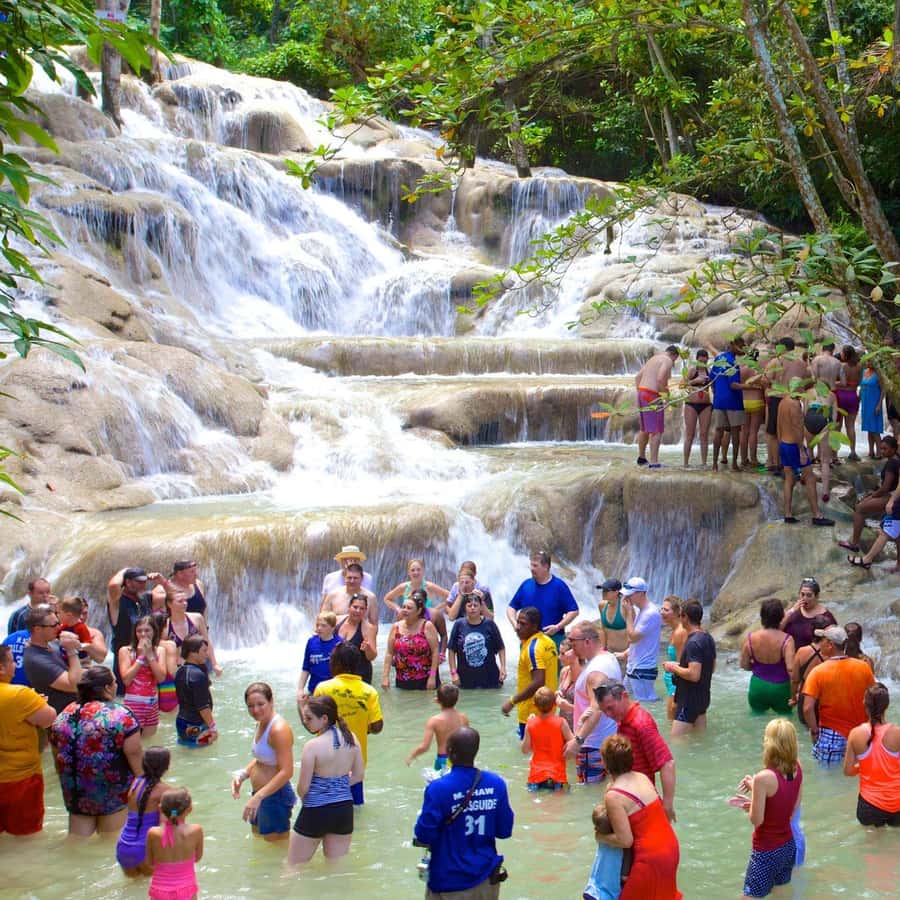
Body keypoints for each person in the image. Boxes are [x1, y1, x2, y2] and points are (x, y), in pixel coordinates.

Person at [414, 727, 514, 898]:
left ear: (449, 752)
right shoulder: (496, 784)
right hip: (486, 878)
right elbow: (504, 831)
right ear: (475, 751)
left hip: (448, 880)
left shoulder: (438, 788)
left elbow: (424, 835)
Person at [48, 665, 143, 836]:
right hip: (111, 792)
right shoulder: (120, 715)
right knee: (111, 842)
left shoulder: (64, 714)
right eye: (114, 683)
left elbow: (57, 753)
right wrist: (145, 782)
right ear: (107, 688)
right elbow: (134, 752)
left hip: (75, 791)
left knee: (77, 842)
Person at [595, 733, 681, 899]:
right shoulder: (642, 777)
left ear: (605, 763)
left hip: (651, 857)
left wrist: (600, 836)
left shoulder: (614, 795)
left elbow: (625, 840)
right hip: (670, 847)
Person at [288, 694, 364, 865]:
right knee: (336, 870)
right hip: (343, 810)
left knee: (293, 868)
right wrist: (337, 786)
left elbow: (303, 789)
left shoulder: (312, 746)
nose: (305, 722)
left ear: (324, 719)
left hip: (315, 810)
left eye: (308, 718)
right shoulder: (351, 739)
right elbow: (359, 775)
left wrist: (319, 792)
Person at [736, 718, 802, 899]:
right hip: (788, 847)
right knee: (780, 894)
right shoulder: (797, 768)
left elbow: (757, 821)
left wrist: (754, 802)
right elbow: (792, 807)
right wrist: (758, 796)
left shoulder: (763, 778)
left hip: (766, 851)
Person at [595, 683, 676, 821]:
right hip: (632, 801)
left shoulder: (641, 723)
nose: (608, 715)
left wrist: (667, 806)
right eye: (604, 711)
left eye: (610, 708)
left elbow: (667, 763)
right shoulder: (624, 720)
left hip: (642, 804)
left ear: (624, 696)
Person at [314, 643, 383, 806]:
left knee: (326, 809)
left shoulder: (323, 688)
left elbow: (314, 726)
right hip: (354, 764)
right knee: (354, 810)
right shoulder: (369, 691)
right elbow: (377, 726)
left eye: (331, 660)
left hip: (326, 763)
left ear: (337, 664)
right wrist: (363, 725)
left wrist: (301, 706)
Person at [0, 644, 56, 836]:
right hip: (20, 780)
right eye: (12, 661)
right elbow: (49, 719)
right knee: (26, 838)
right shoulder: (20, 694)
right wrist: (37, 702)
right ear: (1, 667)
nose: (15, 666)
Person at [232, 681, 296, 841]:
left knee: (276, 852)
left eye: (260, 704)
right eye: (250, 706)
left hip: (274, 797)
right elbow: (261, 759)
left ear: (271, 701)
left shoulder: (278, 729)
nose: (255, 710)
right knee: (260, 844)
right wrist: (242, 774)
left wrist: (259, 797)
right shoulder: (261, 723)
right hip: (261, 795)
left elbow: (287, 771)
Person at [803, 625, 875, 764]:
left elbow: (807, 708)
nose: (819, 643)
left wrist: (814, 731)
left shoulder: (818, 672)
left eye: (822, 640)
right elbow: (874, 698)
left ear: (830, 645)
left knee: (827, 778)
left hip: (831, 735)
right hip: (861, 733)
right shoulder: (863, 667)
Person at [564, 621, 621, 784]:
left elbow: (596, 709)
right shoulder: (609, 658)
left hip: (592, 745)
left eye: (572, 643)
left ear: (587, 641)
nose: (570, 649)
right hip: (609, 739)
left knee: (589, 795)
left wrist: (578, 741)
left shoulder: (595, 673)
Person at [842, 682, 900, 827]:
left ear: (865, 704)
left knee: (872, 847)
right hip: (897, 803)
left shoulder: (856, 734)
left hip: (870, 804)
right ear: (886, 706)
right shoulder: (897, 733)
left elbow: (848, 771)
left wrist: (862, 766)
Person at [776, 391, 833, 525]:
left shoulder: (783, 401)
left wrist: (780, 445)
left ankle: (787, 514)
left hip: (784, 443)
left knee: (789, 478)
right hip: (794, 446)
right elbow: (797, 428)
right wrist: (802, 450)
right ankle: (817, 515)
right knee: (810, 478)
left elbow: (778, 425)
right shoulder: (795, 404)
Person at [501, 607, 559, 739]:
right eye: (518, 622)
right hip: (548, 710)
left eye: (523, 624)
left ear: (534, 626)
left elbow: (538, 681)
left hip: (532, 712)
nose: (517, 627)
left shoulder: (532, 649)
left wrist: (512, 701)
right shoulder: (548, 641)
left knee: (531, 754)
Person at [116, 746, 173, 876]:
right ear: (166, 767)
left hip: (123, 846)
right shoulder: (166, 791)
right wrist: (176, 813)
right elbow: (165, 825)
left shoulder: (135, 783)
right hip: (145, 849)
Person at [506, 551, 579, 651]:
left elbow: (574, 611)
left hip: (552, 640)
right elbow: (511, 607)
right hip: (527, 640)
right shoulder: (526, 585)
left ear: (546, 567)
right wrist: (515, 624)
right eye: (531, 565)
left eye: (535, 566)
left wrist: (558, 626)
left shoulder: (559, 586)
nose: (531, 569)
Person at [663, 599, 716, 735]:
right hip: (703, 698)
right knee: (699, 740)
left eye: (681, 615)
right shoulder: (708, 638)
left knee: (676, 743)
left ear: (685, 617)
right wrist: (679, 665)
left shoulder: (693, 642)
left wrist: (672, 668)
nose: (680, 619)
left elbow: (694, 675)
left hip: (688, 701)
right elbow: (712, 667)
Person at [839, 434, 899, 553]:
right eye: (881, 448)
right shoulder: (897, 458)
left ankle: (854, 543)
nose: (882, 451)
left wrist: (871, 496)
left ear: (893, 449)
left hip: (891, 496)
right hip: (894, 496)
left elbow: (885, 488)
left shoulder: (892, 463)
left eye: (885, 449)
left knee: (860, 508)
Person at [107, 567, 160, 693]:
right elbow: (113, 585)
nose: (143, 584)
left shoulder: (144, 599)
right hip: (125, 656)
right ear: (128, 582)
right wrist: (124, 570)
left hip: (148, 654)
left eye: (144, 581)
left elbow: (166, 595)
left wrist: (160, 580)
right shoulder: (117, 601)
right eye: (138, 581)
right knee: (124, 694)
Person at [763, 337, 811, 474]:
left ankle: (777, 464)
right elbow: (809, 381)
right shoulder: (802, 363)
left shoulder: (775, 361)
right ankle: (790, 465)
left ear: (782, 347)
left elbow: (764, 379)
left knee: (773, 433)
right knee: (793, 431)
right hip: (794, 400)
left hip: (777, 399)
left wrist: (770, 388)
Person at [22, 603, 82, 713]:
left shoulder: (53, 644)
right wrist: (71, 651)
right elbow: (74, 685)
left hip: (72, 710)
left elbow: (74, 671)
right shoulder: (36, 660)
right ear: (38, 629)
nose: (59, 627)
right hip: (59, 718)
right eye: (53, 625)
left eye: (58, 623)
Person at [740, 599, 795, 714]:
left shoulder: (750, 638)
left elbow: (744, 665)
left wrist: (757, 668)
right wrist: (795, 693)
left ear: (762, 617)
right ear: (781, 617)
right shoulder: (787, 639)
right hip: (781, 687)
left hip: (758, 686)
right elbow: (791, 669)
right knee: (785, 722)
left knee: (756, 718)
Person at [146, 787, 202, 900]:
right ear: (190, 809)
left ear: (160, 809)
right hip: (186, 888)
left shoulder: (153, 833)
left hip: (159, 890)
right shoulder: (196, 830)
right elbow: (197, 858)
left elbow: (150, 862)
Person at [383, 559, 450, 653]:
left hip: (426, 624)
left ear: (423, 571)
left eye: (418, 569)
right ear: (408, 572)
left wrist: (436, 609)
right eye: (413, 570)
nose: (416, 572)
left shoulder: (429, 586)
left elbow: (450, 596)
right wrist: (398, 609)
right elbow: (387, 598)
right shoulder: (404, 587)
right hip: (408, 624)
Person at [118, 615, 170, 737]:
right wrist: (141, 656)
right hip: (133, 703)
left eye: (147, 630)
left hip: (152, 703)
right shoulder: (126, 651)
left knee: (148, 742)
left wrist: (150, 655)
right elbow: (126, 679)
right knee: (133, 742)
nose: (143, 634)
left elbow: (161, 678)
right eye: (139, 631)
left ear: (154, 632)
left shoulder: (160, 651)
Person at [382, 591, 441, 691]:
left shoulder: (427, 626)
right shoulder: (396, 627)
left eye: (409, 608)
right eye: (403, 607)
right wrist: (385, 677)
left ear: (418, 611)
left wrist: (432, 677)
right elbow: (389, 653)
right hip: (402, 679)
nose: (405, 610)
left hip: (425, 679)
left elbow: (435, 652)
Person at [448, 593, 505, 689]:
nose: (472, 608)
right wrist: (453, 673)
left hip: (490, 677)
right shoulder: (459, 624)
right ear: (465, 608)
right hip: (465, 678)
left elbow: (501, 647)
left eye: (475, 605)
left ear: (481, 608)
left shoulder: (489, 624)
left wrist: (503, 667)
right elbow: (451, 650)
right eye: (469, 605)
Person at [406, 683, 470, 771]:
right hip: (462, 759)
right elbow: (468, 741)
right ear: (457, 699)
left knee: (441, 783)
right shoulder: (463, 718)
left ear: (437, 700)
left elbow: (425, 747)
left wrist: (412, 756)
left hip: (443, 760)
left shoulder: (434, 721)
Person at [635, 345, 679, 467]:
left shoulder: (654, 358)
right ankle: (654, 462)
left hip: (642, 392)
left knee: (644, 428)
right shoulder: (668, 360)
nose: (674, 363)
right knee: (656, 430)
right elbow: (660, 380)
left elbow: (638, 377)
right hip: (652, 395)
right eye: (675, 360)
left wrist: (640, 394)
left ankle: (642, 458)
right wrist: (666, 397)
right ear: (674, 355)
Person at [619, 577, 662, 703]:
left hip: (643, 669)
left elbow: (632, 637)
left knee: (645, 705)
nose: (626, 598)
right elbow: (638, 640)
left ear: (641, 593)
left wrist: (628, 614)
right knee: (623, 700)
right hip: (635, 667)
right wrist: (626, 653)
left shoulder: (650, 613)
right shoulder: (642, 611)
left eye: (630, 595)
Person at [522, 686, 572, 791]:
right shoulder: (561, 722)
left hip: (535, 777)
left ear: (534, 705)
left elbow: (525, 750)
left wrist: (529, 724)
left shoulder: (531, 724)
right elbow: (573, 743)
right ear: (554, 704)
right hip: (557, 776)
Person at [165, 587, 222, 677]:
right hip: (180, 669)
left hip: (200, 664)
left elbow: (207, 641)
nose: (184, 604)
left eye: (185, 600)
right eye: (180, 601)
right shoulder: (165, 626)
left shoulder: (197, 618)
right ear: (169, 604)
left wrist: (215, 664)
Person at [709, 336, 745, 473]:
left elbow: (712, 377)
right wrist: (751, 386)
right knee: (735, 432)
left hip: (719, 401)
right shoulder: (733, 362)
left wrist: (715, 391)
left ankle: (714, 465)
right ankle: (735, 464)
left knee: (719, 431)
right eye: (741, 346)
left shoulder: (719, 359)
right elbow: (734, 385)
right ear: (733, 346)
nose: (743, 349)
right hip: (733, 401)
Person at [174, 635, 217, 747]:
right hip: (196, 725)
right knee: (201, 754)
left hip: (182, 721)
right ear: (193, 652)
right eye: (204, 650)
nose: (207, 654)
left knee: (188, 752)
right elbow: (202, 707)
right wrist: (213, 727)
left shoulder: (180, 671)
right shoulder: (197, 675)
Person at [789, 616, 830, 727]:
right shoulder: (831, 654)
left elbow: (794, 679)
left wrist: (793, 698)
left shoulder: (802, 652)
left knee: (807, 731)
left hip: (805, 697)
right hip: (825, 699)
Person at [321, 545, 377, 623]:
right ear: (341, 561)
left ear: (359, 562)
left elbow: (369, 604)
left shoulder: (367, 578)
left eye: (354, 559)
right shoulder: (330, 578)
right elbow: (323, 605)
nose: (350, 562)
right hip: (336, 623)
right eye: (346, 559)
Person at [298, 611, 343, 701]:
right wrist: (300, 689)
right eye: (317, 625)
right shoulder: (311, 642)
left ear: (333, 627)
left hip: (333, 692)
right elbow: (306, 668)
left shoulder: (340, 643)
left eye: (323, 625)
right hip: (314, 690)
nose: (319, 628)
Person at [780, 577, 836, 649]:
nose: (804, 598)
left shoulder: (826, 617)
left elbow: (833, 645)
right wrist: (792, 610)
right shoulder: (793, 610)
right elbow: (778, 629)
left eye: (809, 595)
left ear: (817, 596)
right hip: (788, 655)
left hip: (809, 658)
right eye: (802, 594)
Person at [336, 592, 377, 683]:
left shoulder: (368, 628)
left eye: (362, 608)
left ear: (366, 611)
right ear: (349, 607)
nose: (358, 611)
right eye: (355, 607)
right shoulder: (336, 621)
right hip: (338, 672)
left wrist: (368, 649)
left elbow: (372, 657)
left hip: (359, 675)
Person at [682, 348, 712, 467]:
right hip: (691, 405)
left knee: (704, 435)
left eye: (704, 361)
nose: (702, 364)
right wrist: (695, 381)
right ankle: (685, 463)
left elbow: (713, 387)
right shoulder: (691, 371)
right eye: (700, 361)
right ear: (696, 360)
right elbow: (682, 385)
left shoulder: (709, 372)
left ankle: (704, 463)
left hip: (706, 405)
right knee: (690, 434)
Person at [660, 596, 687, 720]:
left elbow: (683, 664)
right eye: (661, 609)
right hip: (672, 685)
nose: (662, 612)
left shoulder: (679, 632)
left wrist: (676, 693)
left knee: (673, 725)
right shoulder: (674, 630)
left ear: (676, 613)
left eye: (666, 610)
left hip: (676, 686)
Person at [835, 345, 862, 460]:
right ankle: (853, 451)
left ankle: (834, 454)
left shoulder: (842, 366)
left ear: (845, 355)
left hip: (841, 396)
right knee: (850, 426)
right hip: (853, 396)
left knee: (838, 426)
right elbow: (860, 382)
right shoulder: (860, 367)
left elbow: (841, 382)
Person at [597, 578, 629, 654]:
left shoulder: (625, 607)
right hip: (609, 652)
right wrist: (603, 650)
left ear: (616, 592)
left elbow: (633, 634)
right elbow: (602, 629)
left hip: (624, 654)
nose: (603, 593)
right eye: (603, 590)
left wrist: (626, 654)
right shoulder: (602, 605)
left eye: (606, 591)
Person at [555, 638, 582, 728]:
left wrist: (569, 707)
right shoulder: (564, 671)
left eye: (563, 654)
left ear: (574, 654)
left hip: (579, 727)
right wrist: (557, 695)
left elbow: (593, 711)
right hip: (563, 725)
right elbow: (559, 693)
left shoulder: (585, 677)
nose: (559, 657)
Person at [859, 363, 884, 457]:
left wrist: (879, 404)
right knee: (869, 429)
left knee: (875, 429)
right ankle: (871, 451)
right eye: (868, 361)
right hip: (865, 403)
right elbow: (861, 387)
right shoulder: (864, 372)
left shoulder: (879, 374)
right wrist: (859, 397)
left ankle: (879, 452)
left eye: (871, 361)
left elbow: (883, 390)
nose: (868, 363)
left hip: (874, 403)